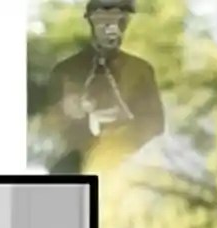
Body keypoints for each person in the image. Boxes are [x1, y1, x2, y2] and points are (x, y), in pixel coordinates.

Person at [44, 0, 164, 174]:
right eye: (104, 19)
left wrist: (117, 143)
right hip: (73, 168)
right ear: (91, 20)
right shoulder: (65, 71)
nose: (112, 27)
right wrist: (67, 112)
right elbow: (48, 127)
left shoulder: (141, 71)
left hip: (124, 171)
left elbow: (154, 124)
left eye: (120, 19)